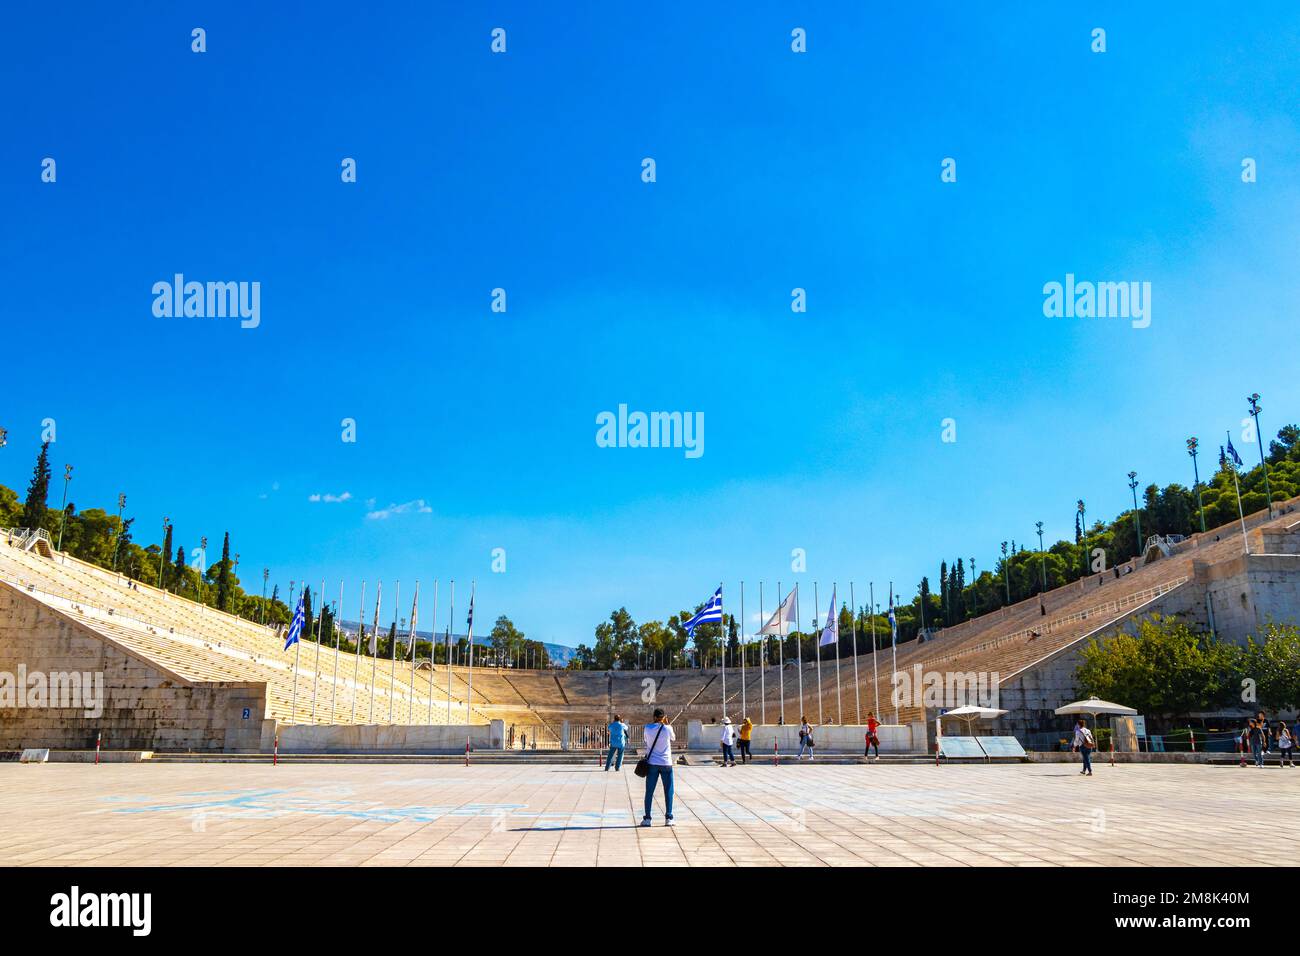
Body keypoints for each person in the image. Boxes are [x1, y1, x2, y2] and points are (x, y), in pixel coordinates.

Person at [642, 707, 675, 827]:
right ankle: (669, 817)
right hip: (666, 763)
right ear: (664, 717)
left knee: (649, 791)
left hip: (652, 763)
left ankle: (647, 818)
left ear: (654, 717)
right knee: (669, 791)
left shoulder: (647, 728)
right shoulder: (667, 728)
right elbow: (673, 738)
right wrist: (667, 723)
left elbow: (646, 740)